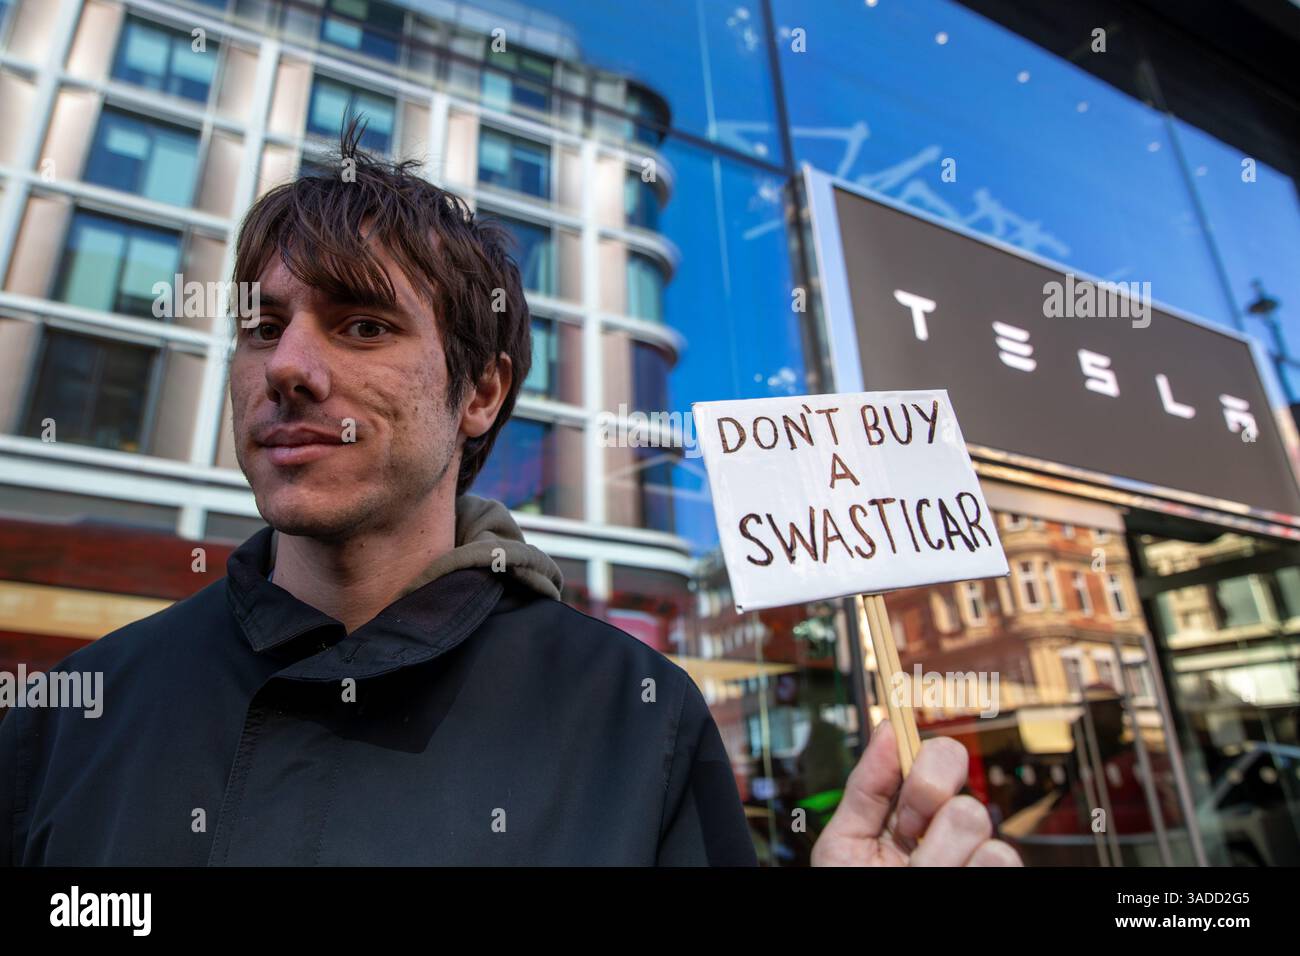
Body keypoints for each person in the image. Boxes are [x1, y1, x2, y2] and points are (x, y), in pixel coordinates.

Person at [0, 121, 1019, 868]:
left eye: (361, 325)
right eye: (264, 326)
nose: (290, 365)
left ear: (480, 392)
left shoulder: (637, 718)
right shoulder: (75, 713)